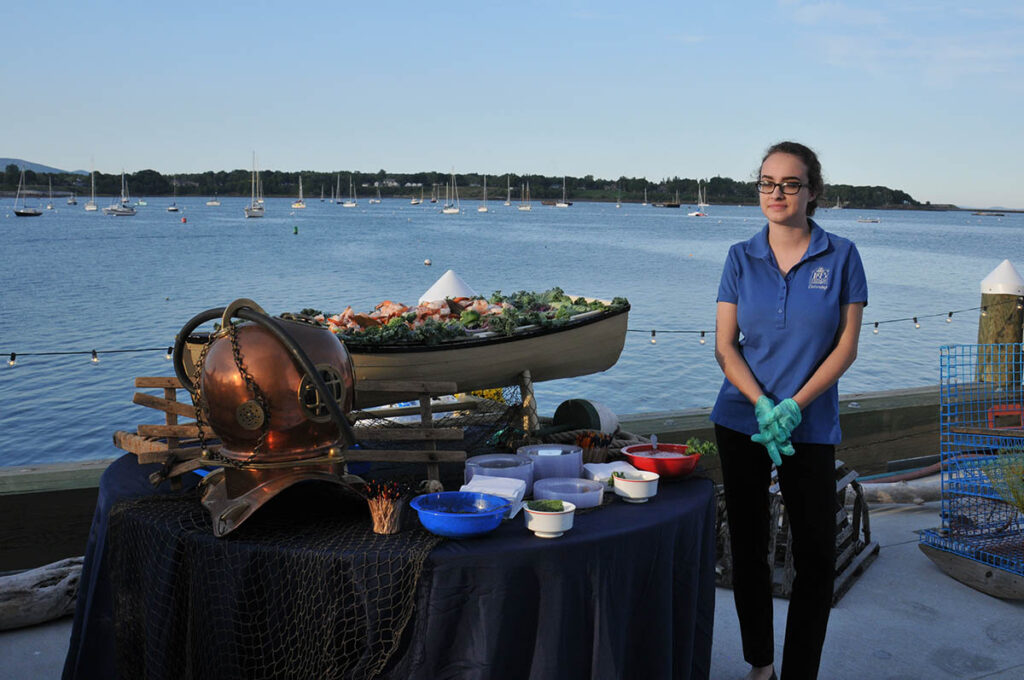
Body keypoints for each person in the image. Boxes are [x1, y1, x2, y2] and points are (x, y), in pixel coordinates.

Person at [710, 141, 868, 680]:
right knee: (748, 550)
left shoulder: (841, 255)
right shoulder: (739, 256)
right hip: (741, 419)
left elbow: (846, 347)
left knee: (816, 555)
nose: (776, 193)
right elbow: (725, 346)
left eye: (790, 183)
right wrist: (760, 404)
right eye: (766, 182)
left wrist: (794, 408)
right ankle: (761, 665)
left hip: (811, 423)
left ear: (813, 192)